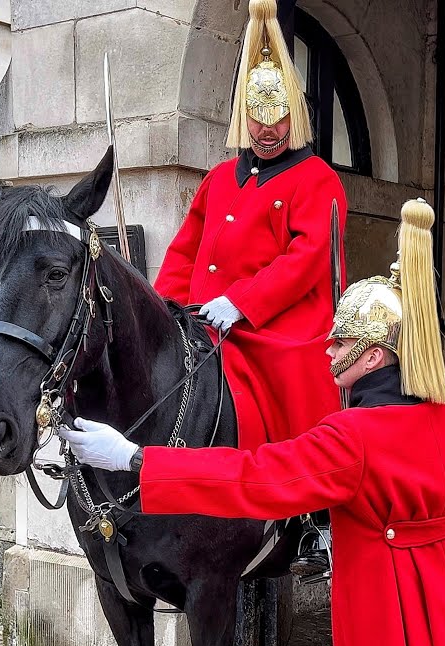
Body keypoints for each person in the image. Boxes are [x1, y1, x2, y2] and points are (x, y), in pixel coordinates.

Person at [62, 200, 445, 646]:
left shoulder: (353, 436)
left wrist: (135, 458)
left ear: (374, 356)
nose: (329, 350)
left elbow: (253, 479)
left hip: (393, 604)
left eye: (342, 341)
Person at [154, 0, 346, 455]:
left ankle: (295, 488)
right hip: (203, 319)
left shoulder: (318, 178)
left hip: (275, 326)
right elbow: (185, 252)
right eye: (258, 118)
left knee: (292, 386)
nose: (267, 130)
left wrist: (242, 302)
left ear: (294, 115)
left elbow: (307, 258)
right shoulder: (220, 177)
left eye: (277, 117)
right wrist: (163, 310)